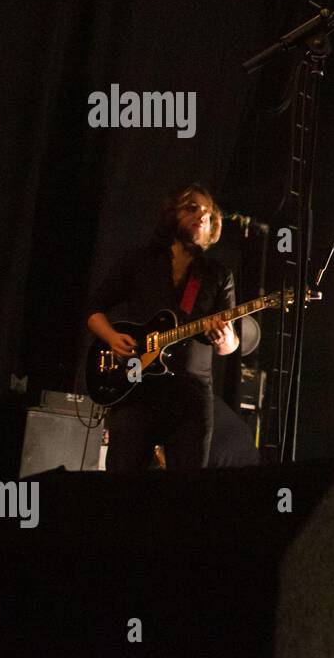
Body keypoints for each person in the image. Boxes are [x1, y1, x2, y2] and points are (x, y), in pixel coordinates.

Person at [86, 185, 238, 472]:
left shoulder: (218, 274)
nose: (201, 216)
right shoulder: (139, 261)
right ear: (172, 214)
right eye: (192, 208)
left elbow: (230, 346)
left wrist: (225, 338)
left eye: (208, 214)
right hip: (135, 390)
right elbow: (93, 309)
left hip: (191, 398)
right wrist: (112, 337)